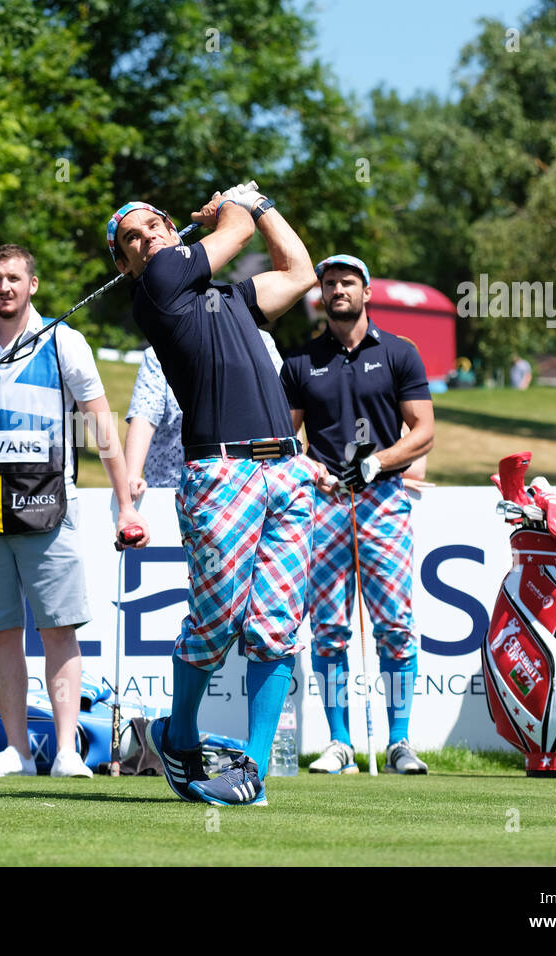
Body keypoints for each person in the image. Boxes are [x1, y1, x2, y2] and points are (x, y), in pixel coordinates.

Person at [108, 184, 320, 806]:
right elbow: (237, 234)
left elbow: (300, 271)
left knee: (277, 625)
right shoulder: (158, 284)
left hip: (285, 467)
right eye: (132, 240)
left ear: (173, 229)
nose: (146, 239)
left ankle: (250, 770)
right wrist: (237, 202)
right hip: (220, 473)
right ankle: (178, 736)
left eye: (152, 227)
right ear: (126, 264)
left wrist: (262, 203)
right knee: (219, 618)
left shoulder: (233, 299)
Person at [0, 244, 148, 779]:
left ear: (33, 285)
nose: (5, 287)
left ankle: (67, 750)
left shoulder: (64, 342)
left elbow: (101, 428)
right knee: (2, 631)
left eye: (15, 278)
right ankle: (18, 752)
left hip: (48, 502)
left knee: (57, 629)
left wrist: (126, 506)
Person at [280, 254, 435, 775]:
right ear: (319, 295)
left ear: (366, 292)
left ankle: (399, 740)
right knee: (328, 627)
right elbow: (284, 442)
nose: (338, 290)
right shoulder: (301, 361)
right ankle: (340, 741)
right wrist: (313, 471)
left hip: (384, 500)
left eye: (348, 282)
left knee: (394, 623)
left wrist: (377, 463)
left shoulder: (398, 353)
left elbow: (423, 431)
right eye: (329, 284)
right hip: (324, 503)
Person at [124, 331, 282, 499]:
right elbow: (144, 415)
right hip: (173, 488)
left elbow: (283, 411)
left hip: (248, 489)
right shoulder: (161, 351)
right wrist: (131, 475)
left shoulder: (260, 342)